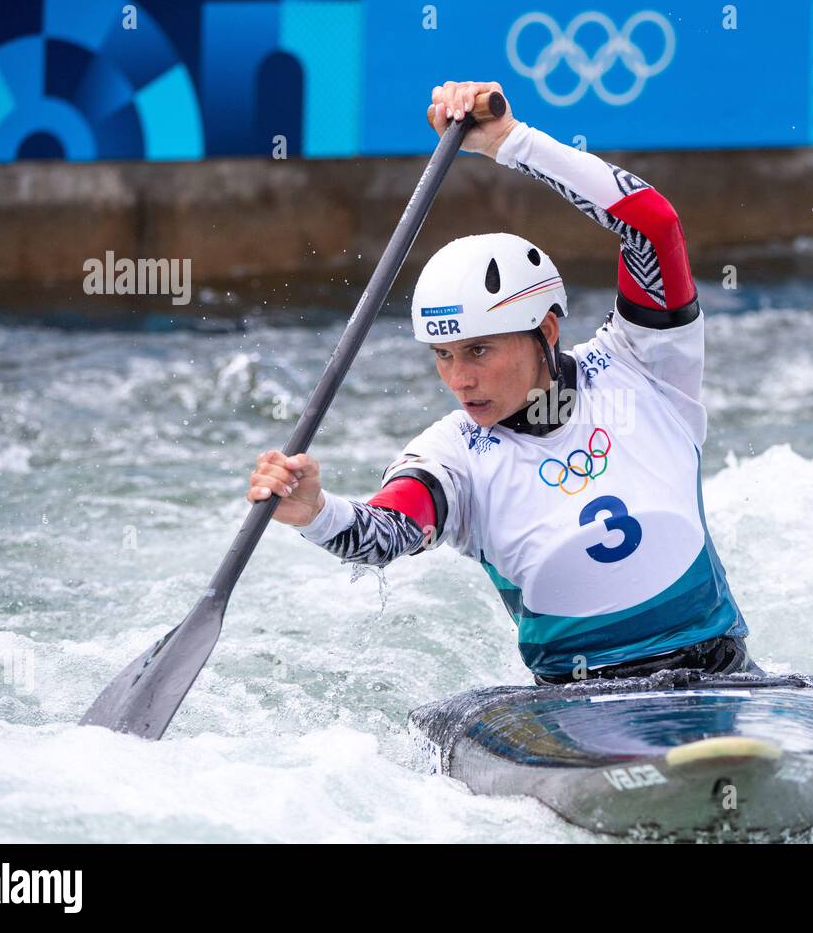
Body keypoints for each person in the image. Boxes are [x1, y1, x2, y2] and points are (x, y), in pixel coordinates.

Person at [247, 81, 759, 685]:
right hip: (576, 705)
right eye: (442, 355)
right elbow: (383, 532)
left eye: (479, 350)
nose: (459, 379)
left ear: (544, 329)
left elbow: (652, 224)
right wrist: (315, 512)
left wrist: (512, 143)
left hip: (721, 677)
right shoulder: (452, 456)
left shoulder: (646, 367)